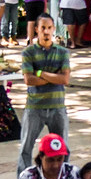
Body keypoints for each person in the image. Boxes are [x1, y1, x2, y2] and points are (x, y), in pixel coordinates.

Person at [18, 13, 72, 171]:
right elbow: (29, 80)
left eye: (49, 28)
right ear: (36, 29)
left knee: (63, 148)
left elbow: (65, 80)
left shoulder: (62, 52)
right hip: (34, 107)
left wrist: (40, 73)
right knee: (26, 148)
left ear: (54, 29)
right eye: (43, 28)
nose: (46, 31)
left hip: (57, 106)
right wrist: (55, 76)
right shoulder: (28, 53)